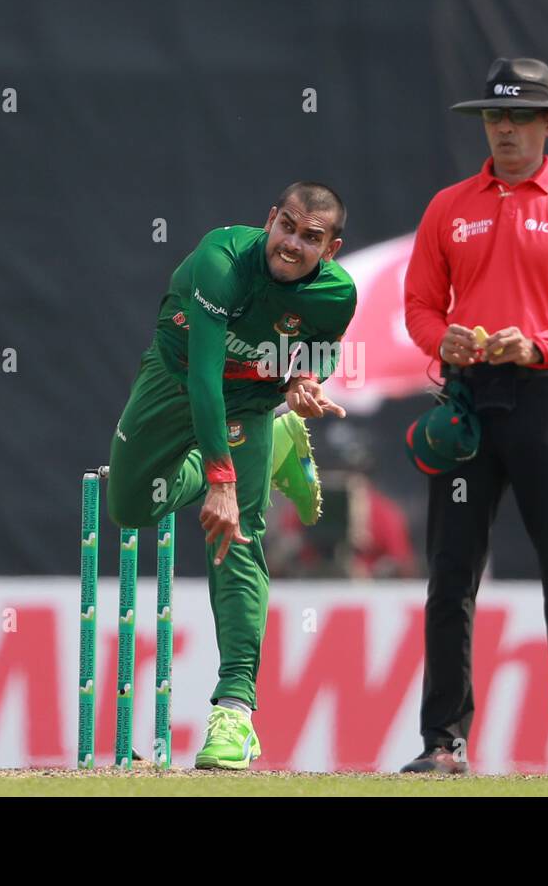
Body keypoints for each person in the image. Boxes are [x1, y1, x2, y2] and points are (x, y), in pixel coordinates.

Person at [401, 58, 548, 775]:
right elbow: (417, 307)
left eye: (520, 116)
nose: (504, 128)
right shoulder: (448, 206)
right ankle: (442, 744)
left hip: (546, 400)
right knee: (450, 572)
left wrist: (537, 344)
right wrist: (447, 339)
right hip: (469, 398)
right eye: (495, 116)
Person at [107, 182, 357, 770]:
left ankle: (235, 710)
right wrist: (218, 479)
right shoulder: (222, 259)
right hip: (178, 378)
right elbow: (204, 376)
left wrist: (305, 381)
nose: (292, 244)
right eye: (287, 226)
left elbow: (324, 347)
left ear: (332, 248)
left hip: (248, 404)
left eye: (310, 237)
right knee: (131, 507)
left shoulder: (336, 292)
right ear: (270, 219)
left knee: (236, 536)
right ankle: (269, 453)